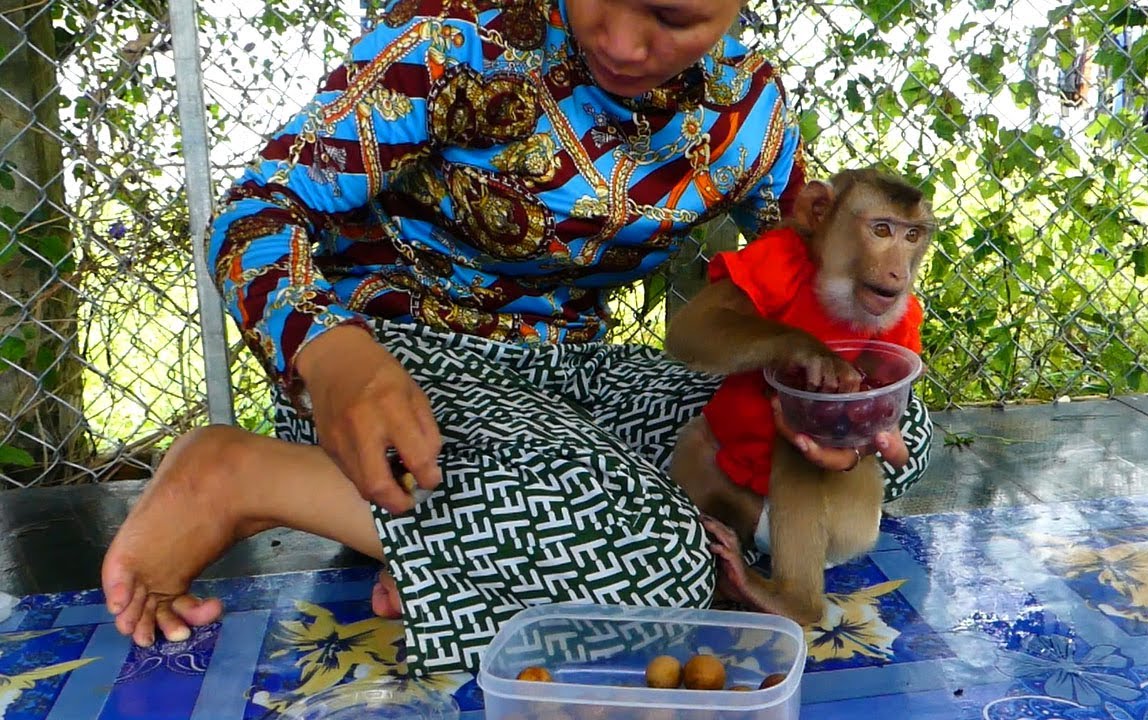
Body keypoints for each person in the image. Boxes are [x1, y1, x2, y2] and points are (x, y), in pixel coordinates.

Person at [100, 0, 934, 676]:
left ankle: (453, 543)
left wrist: (835, 402)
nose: (618, 38)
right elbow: (256, 206)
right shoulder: (457, 37)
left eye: (671, 18)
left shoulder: (745, 106)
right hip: (399, 374)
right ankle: (241, 477)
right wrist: (330, 356)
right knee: (663, 568)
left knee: (897, 428)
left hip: (577, 378)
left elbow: (809, 270)